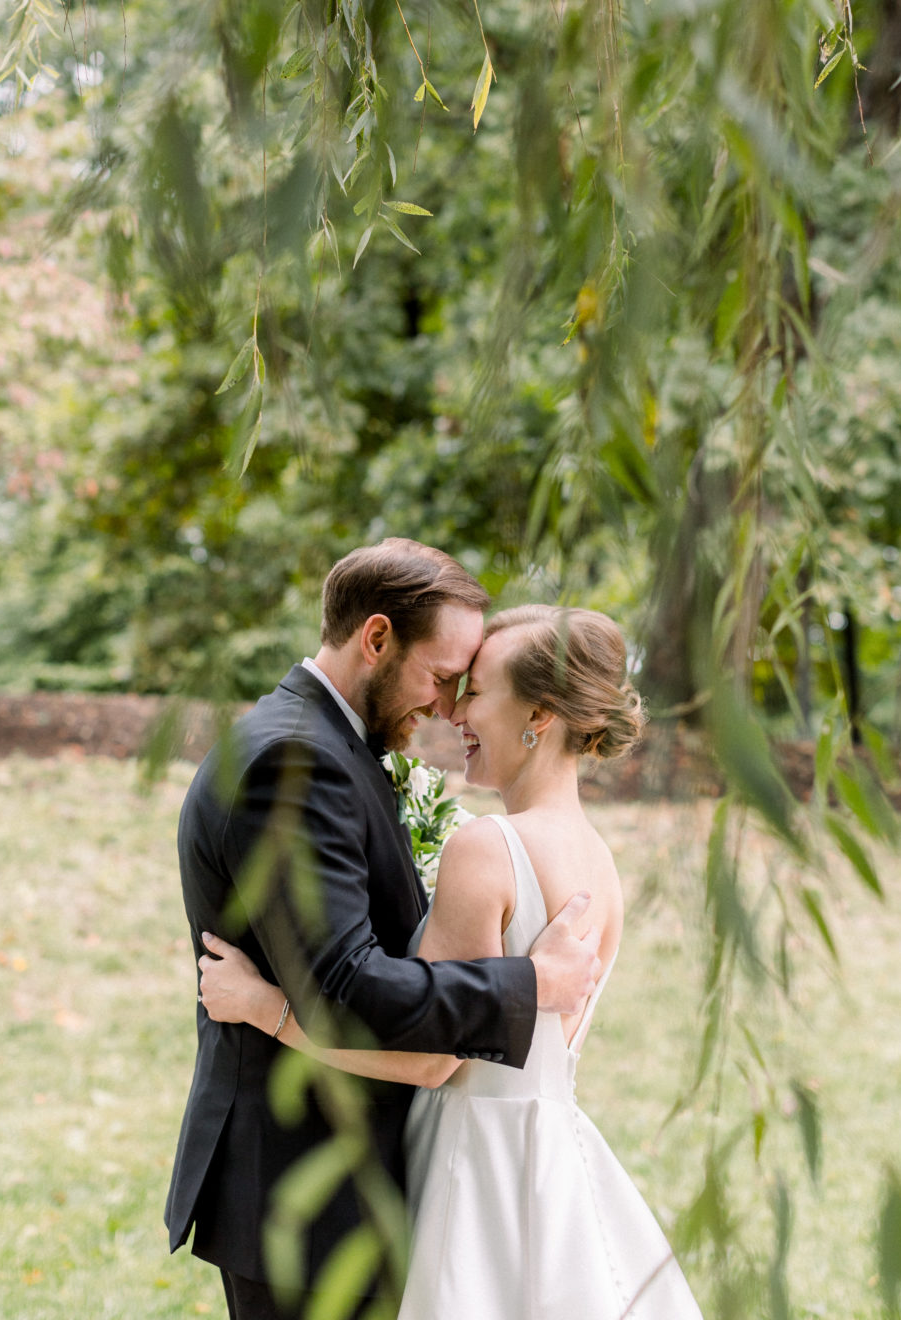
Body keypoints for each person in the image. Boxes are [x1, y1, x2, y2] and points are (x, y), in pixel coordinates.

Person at [200, 603, 704, 1319]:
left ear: (541, 713)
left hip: (473, 1166)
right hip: (549, 1164)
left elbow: (432, 1062)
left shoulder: (488, 848)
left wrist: (263, 1007)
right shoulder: (599, 861)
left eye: (475, 690)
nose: (452, 711)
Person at [165, 543, 603, 1320]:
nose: (446, 708)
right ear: (376, 639)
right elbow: (346, 985)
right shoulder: (293, 761)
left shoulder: (327, 746)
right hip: (304, 1192)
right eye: (440, 677)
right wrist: (529, 983)